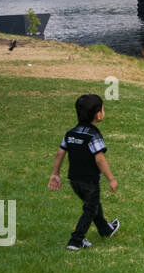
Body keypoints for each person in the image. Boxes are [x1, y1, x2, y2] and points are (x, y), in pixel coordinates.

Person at [47, 94, 120, 250]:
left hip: (74, 180)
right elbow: (99, 159)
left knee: (93, 204)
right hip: (90, 181)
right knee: (90, 209)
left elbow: (60, 153)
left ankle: (105, 230)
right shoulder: (93, 135)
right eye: (103, 108)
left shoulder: (70, 133)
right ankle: (76, 240)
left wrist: (55, 174)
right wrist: (111, 179)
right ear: (98, 114)